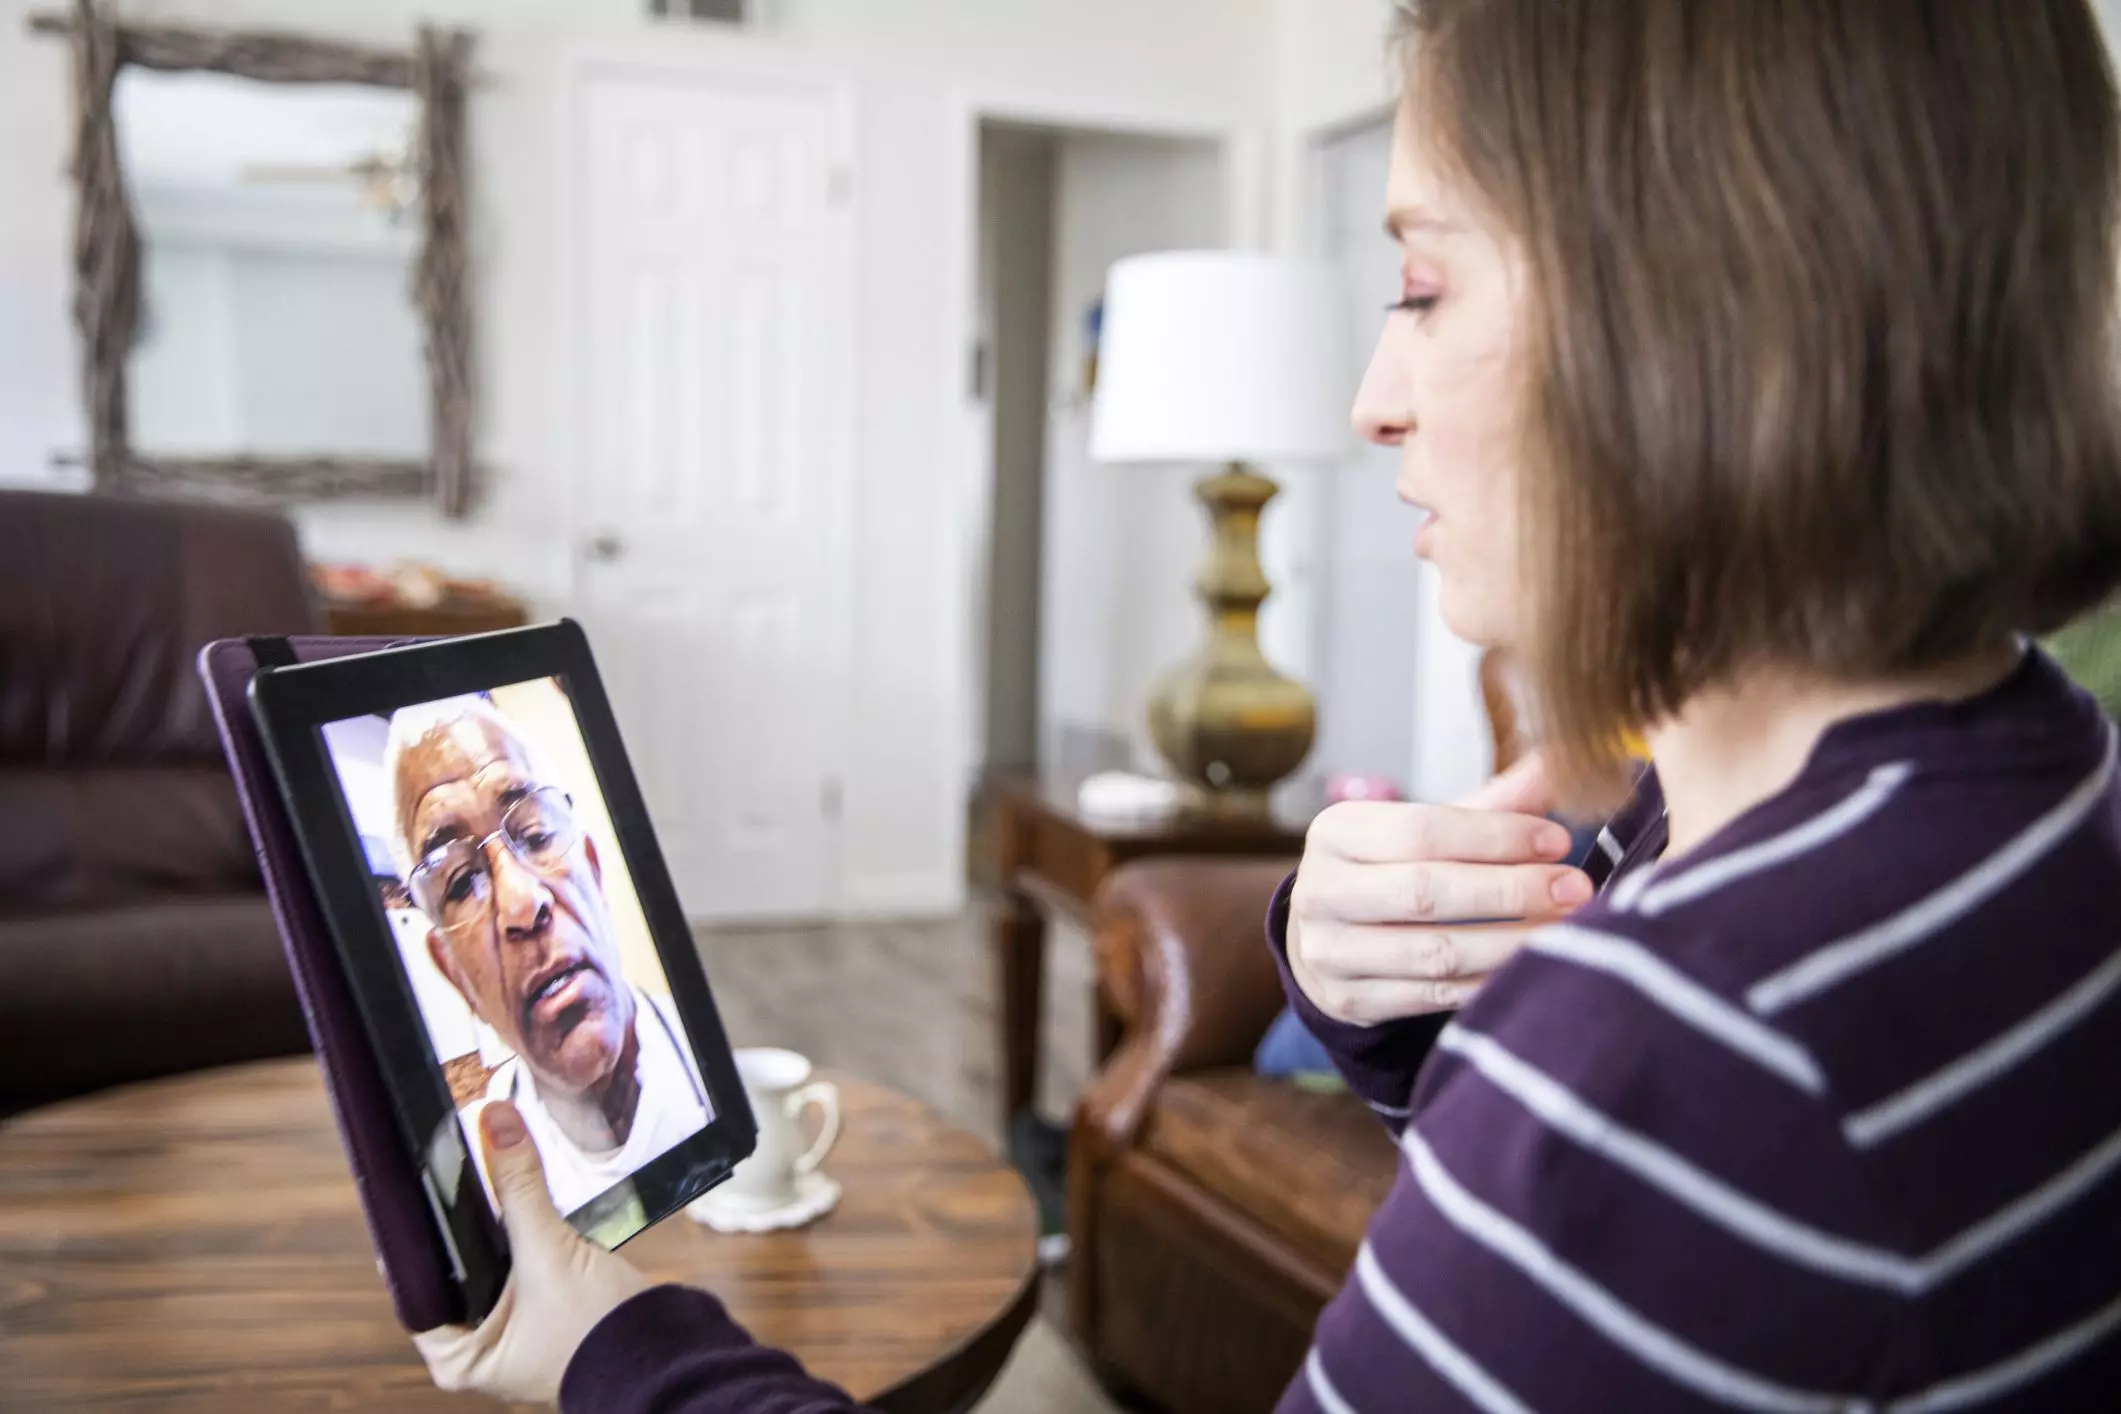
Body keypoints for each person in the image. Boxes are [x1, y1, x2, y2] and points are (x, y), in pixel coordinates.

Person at [414, 1, 2121, 1408]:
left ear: (1708, 324)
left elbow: (1638, 1150)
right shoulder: (2049, 782)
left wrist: (613, 1350)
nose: (1374, 398)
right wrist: (1377, 1002)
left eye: (1425, 284)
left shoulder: (1693, 1045)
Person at [386, 695, 710, 1218]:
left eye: (534, 834)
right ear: (453, 973)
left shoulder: (711, 1062)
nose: (521, 903)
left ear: (593, 871)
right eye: (463, 881)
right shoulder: (473, 1180)